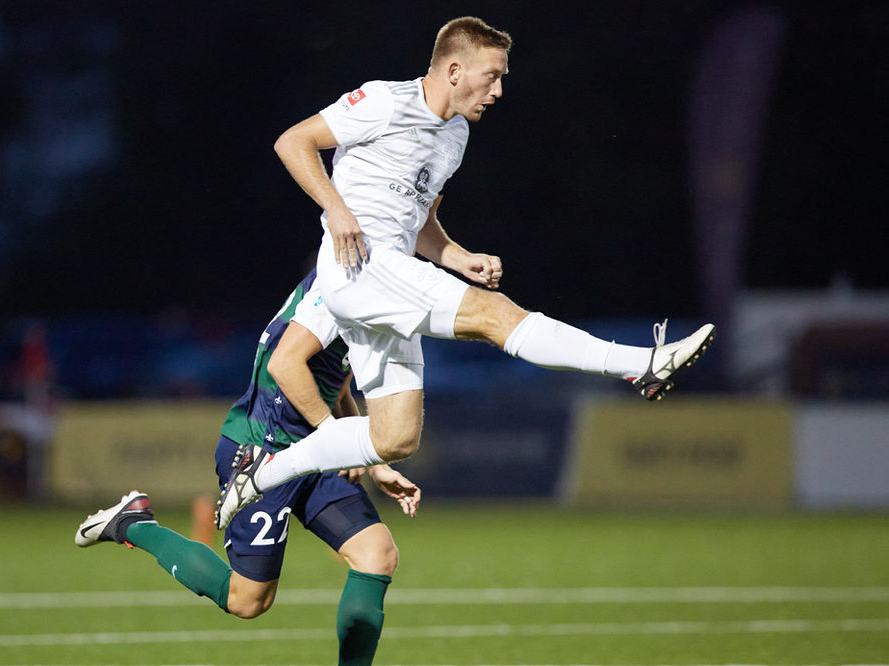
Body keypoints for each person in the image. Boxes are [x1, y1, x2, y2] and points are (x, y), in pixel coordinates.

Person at [215, 16, 715, 529]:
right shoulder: (385, 101)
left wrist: (457, 256)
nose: (497, 91)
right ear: (454, 70)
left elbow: (422, 222)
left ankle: (265, 472)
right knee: (495, 315)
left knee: (396, 438)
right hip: (358, 269)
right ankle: (639, 363)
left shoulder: (454, 135)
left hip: (390, 274)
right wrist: (336, 209)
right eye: (491, 76)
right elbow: (292, 142)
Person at [75, 269, 421, 666]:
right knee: (248, 600)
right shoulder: (337, 284)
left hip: (315, 449)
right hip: (261, 450)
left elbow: (337, 385)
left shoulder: (363, 288)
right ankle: (133, 523)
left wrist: (372, 461)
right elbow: (283, 365)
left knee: (377, 554)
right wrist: (335, 441)